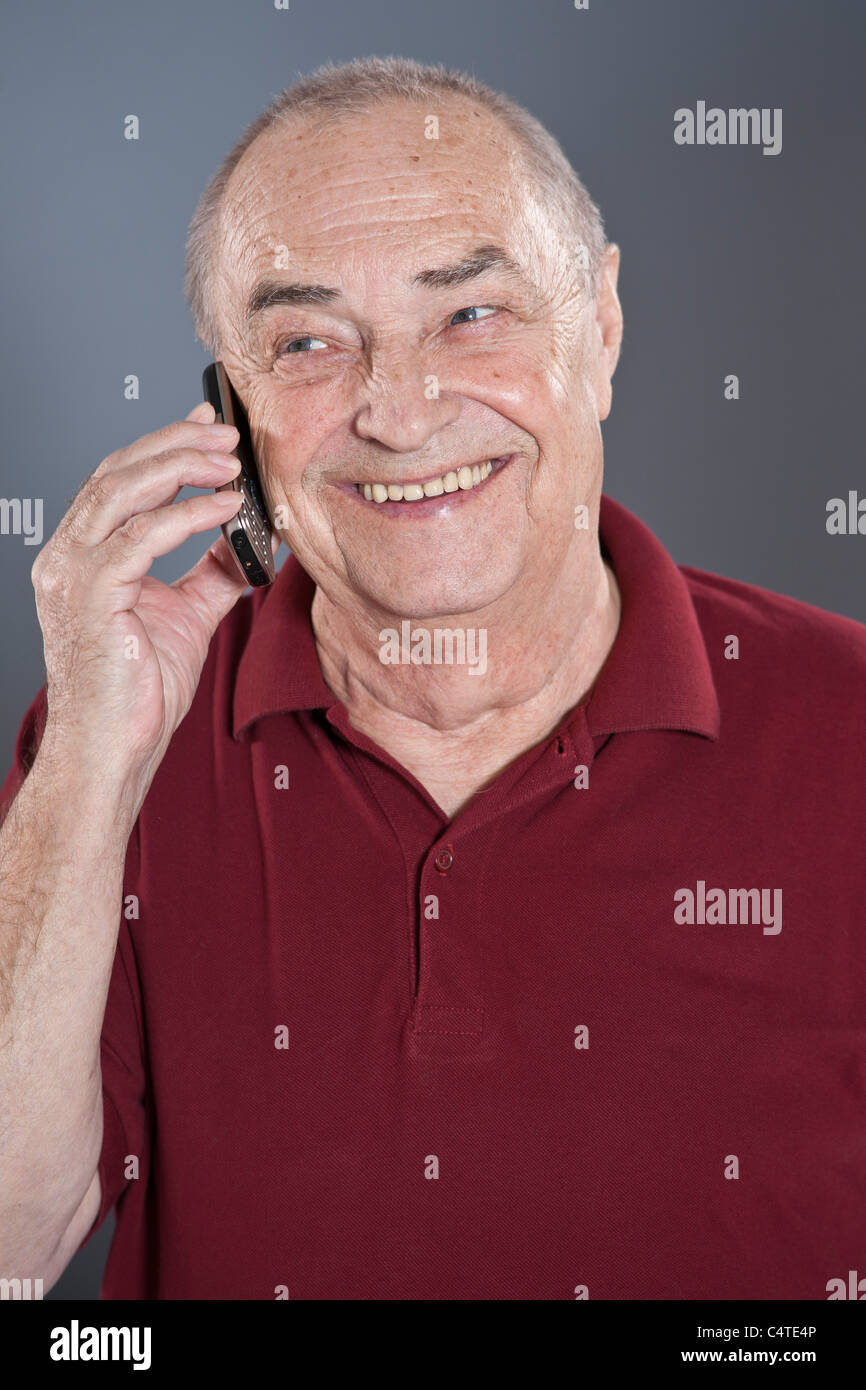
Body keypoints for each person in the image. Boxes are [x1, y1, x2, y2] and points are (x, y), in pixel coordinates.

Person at [1, 56, 864, 1301]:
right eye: (307, 342)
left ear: (602, 324)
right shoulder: (114, 738)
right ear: (229, 410)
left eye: (470, 315)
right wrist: (91, 756)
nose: (398, 414)